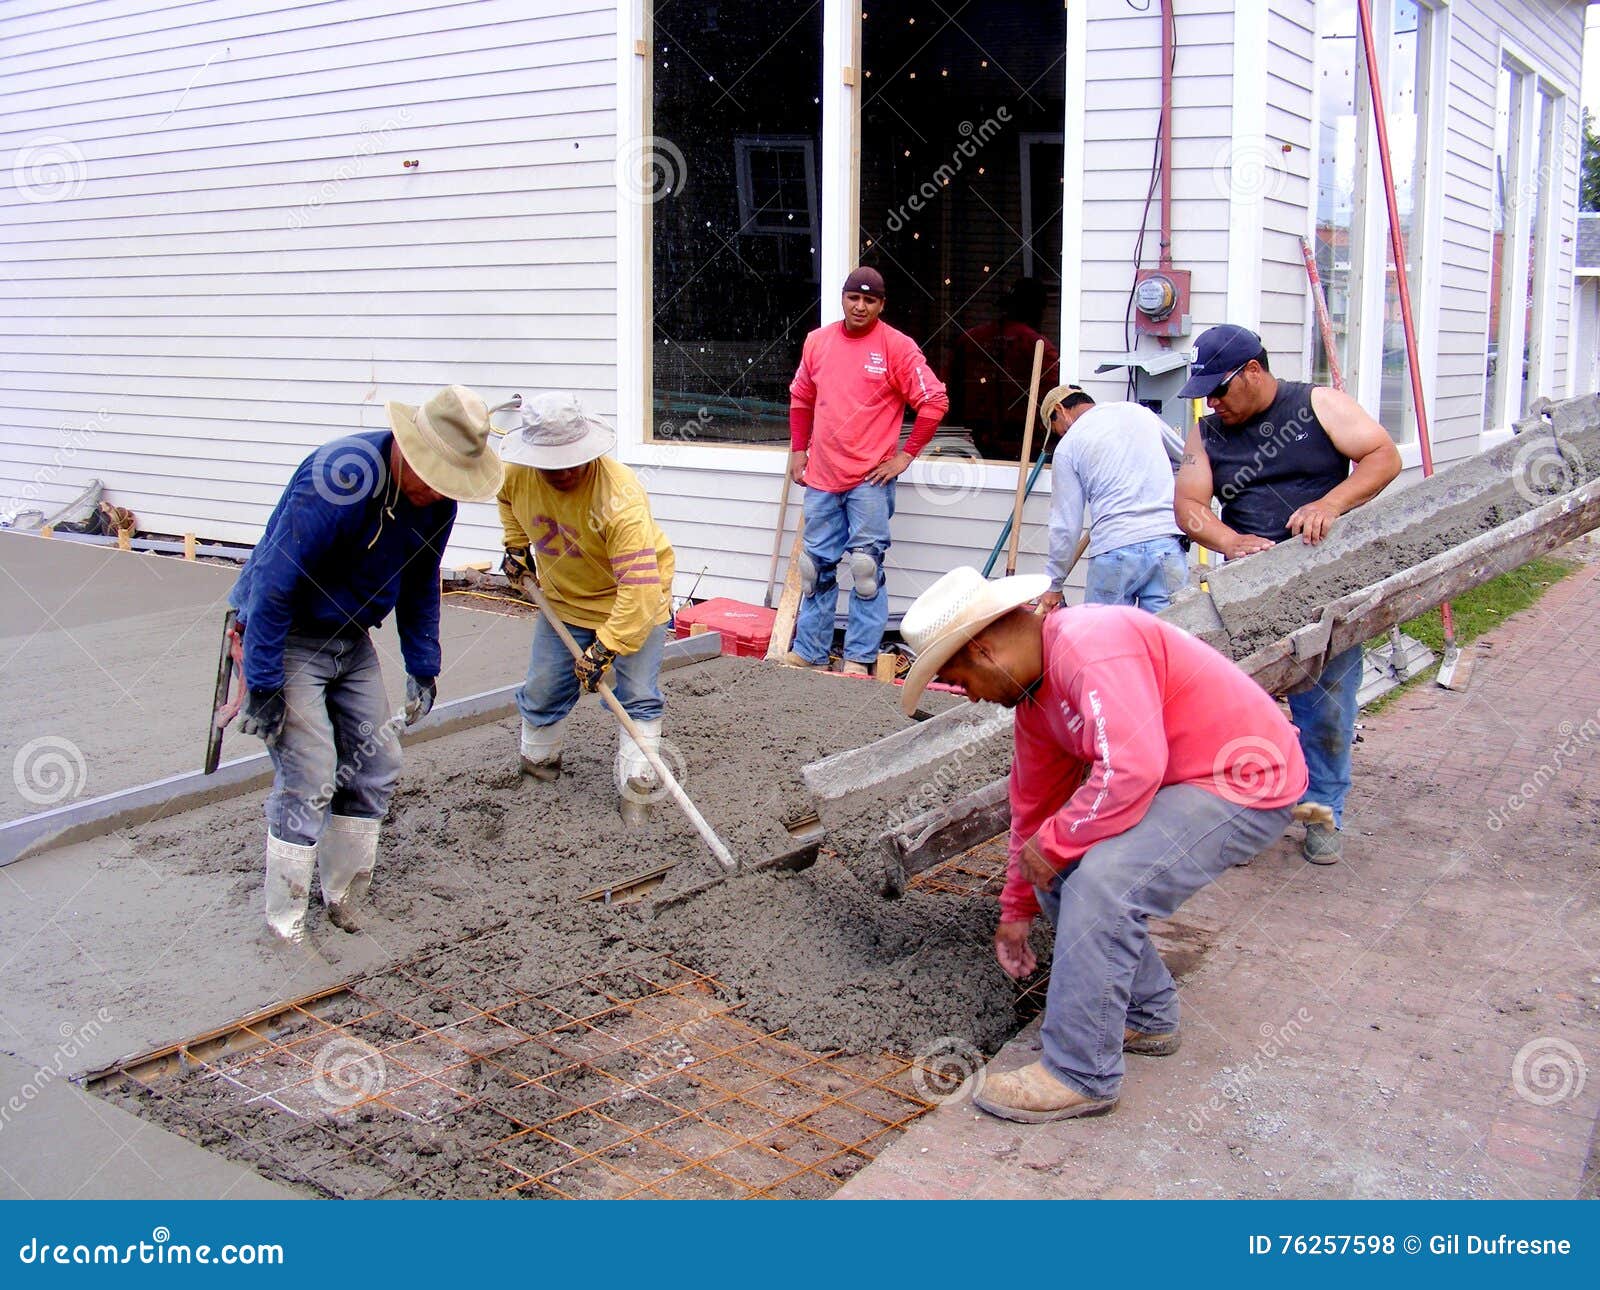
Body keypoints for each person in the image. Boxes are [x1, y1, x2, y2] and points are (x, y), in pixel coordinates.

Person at [897, 567, 1307, 1123]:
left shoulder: (1091, 646)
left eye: (960, 681)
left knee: (1102, 880)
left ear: (985, 651)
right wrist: (1016, 910)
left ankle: (1079, 1072)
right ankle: (1147, 1013)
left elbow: (1132, 768)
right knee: (1061, 868)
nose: (969, 699)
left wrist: (1057, 844)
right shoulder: (1034, 704)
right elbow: (1032, 814)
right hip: (1184, 778)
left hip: (1243, 777)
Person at [230, 385, 504, 943]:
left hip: (351, 633)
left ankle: (344, 898)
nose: (437, 491)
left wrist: (423, 664)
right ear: (407, 446)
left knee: (376, 762)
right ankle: (285, 924)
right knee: (309, 772)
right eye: (433, 474)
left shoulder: (436, 504)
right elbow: (275, 582)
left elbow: (420, 582)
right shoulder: (340, 479)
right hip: (288, 632)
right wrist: (261, 680)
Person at [1173, 324, 1401, 864]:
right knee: (1236, 710)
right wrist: (1231, 541)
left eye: (1220, 389)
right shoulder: (1207, 434)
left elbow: (1383, 457)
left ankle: (1321, 814)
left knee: (1325, 707)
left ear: (1253, 371)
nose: (1212, 401)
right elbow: (1188, 506)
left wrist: (1331, 504)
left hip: (1326, 584)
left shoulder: (1318, 404)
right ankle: (1248, 815)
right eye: (1204, 391)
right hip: (1247, 592)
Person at [497, 393, 675, 824]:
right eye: (552, 464)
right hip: (563, 601)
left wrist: (606, 648)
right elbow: (507, 503)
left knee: (637, 698)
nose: (564, 471)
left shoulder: (620, 499)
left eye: (572, 461)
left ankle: (637, 789)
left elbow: (639, 590)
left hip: (633, 602)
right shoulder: (517, 475)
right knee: (542, 691)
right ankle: (539, 768)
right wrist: (516, 546)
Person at [786, 266, 950, 675]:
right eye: (853, 298)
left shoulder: (897, 347)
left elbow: (934, 401)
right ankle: (810, 651)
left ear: (881, 304)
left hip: (868, 481)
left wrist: (904, 457)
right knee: (815, 569)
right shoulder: (817, 342)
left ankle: (859, 658)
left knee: (865, 569)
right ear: (842, 298)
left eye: (870, 300)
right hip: (822, 476)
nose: (860, 306)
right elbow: (802, 398)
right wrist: (797, 451)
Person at [1034, 384, 1188, 615]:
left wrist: (1054, 583)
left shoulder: (1069, 446)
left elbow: (1065, 527)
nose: (1061, 436)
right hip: (1166, 547)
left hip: (1115, 551)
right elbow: (1188, 459)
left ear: (1060, 409)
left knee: (1105, 644)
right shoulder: (1139, 413)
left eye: (1057, 430)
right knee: (1165, 644)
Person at [955, 277, 1060, 461]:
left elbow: (952, 392)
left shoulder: (970, 339)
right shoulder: (1038, 346)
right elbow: (1050, 400)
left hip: (977, 442)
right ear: (1036, 309)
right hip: (1022, 444)